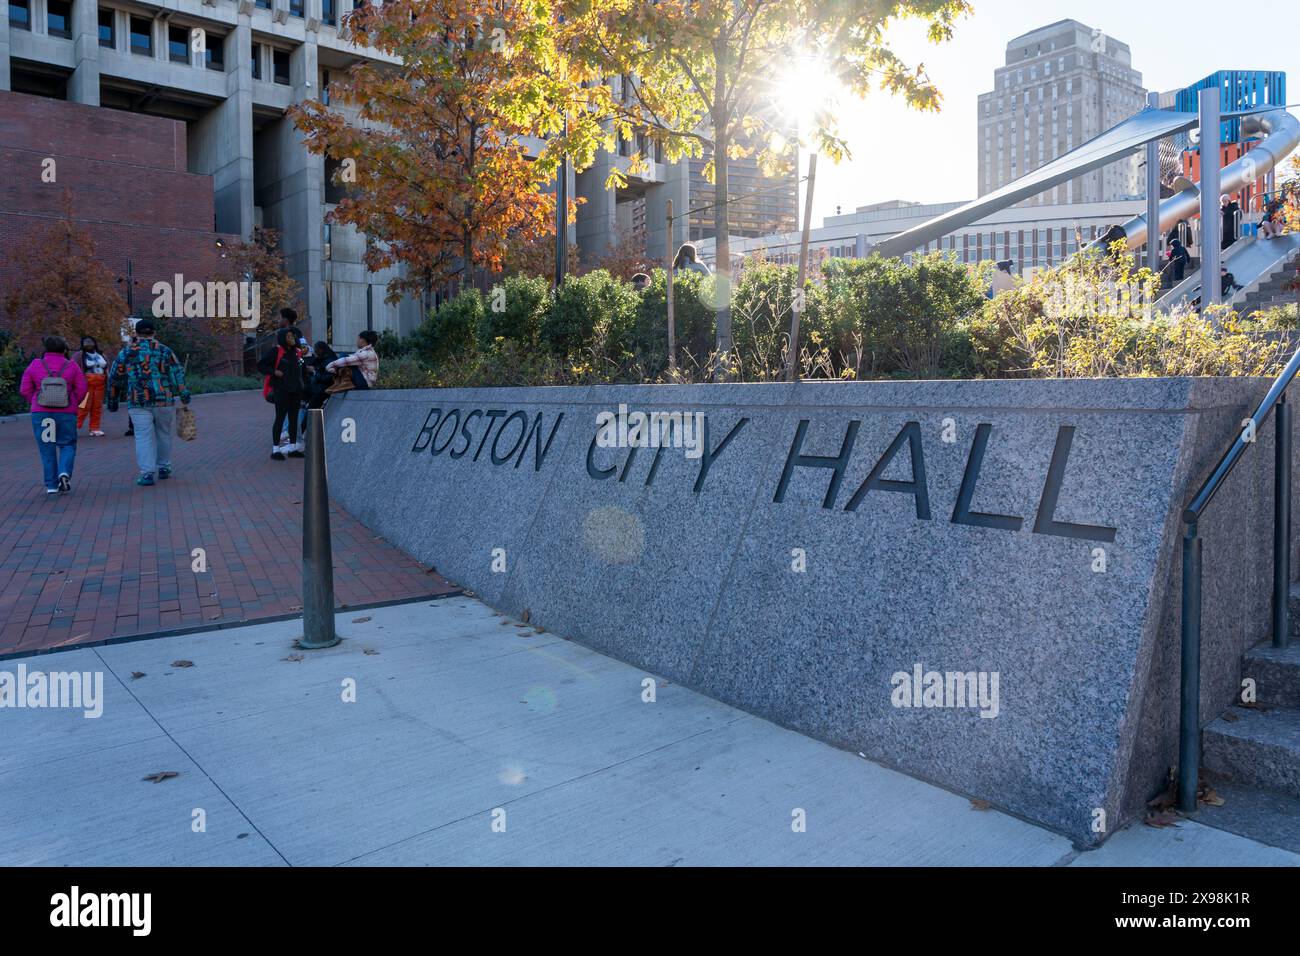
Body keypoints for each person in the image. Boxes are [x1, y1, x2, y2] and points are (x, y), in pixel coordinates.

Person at [106, 319, 191, 486]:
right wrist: (183, 394)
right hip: (163, 399)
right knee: (163, 434)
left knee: (143, 436)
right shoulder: (165, 351)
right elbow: (177, 373)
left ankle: (147, 473)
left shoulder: (127, 352)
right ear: (154, 332)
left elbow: (115, 377)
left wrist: (112, 400)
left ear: (136, 333)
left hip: (138, 400)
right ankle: (164, 466)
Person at [20, 336, 88, 496]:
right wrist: (72, 402)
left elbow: (24, 389)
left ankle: (51, 485)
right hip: (66, 412)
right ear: (64, 349)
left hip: (42, 413)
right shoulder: (71, 365)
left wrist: (36, 401)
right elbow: (82, 388)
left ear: (46, 349)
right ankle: (64, 472)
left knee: (47, 448)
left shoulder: (36, 364)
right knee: (67, 445)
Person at [259, 328, 306, 460]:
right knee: (280, 418)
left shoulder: (297, 352)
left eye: (292, 336)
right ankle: (275, 449)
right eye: (288, 336)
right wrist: (274, 372)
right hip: (281, 390)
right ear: (282, 337)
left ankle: (292, 448)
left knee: (293, 419)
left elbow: (301, 369)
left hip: (295, 391)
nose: (291, 338)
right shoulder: (276, 351)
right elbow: (261, 366)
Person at [70, 335, 108, 436]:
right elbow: (72, 368)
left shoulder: (101, 355)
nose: (89, 344)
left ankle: (95, 428)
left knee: (97, 407)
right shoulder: (79, 355)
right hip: (86, 385)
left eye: (90, 342)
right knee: (83, 407)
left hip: (100, 384)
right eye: (86, 342)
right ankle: (73, 428)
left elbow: (106, 368)